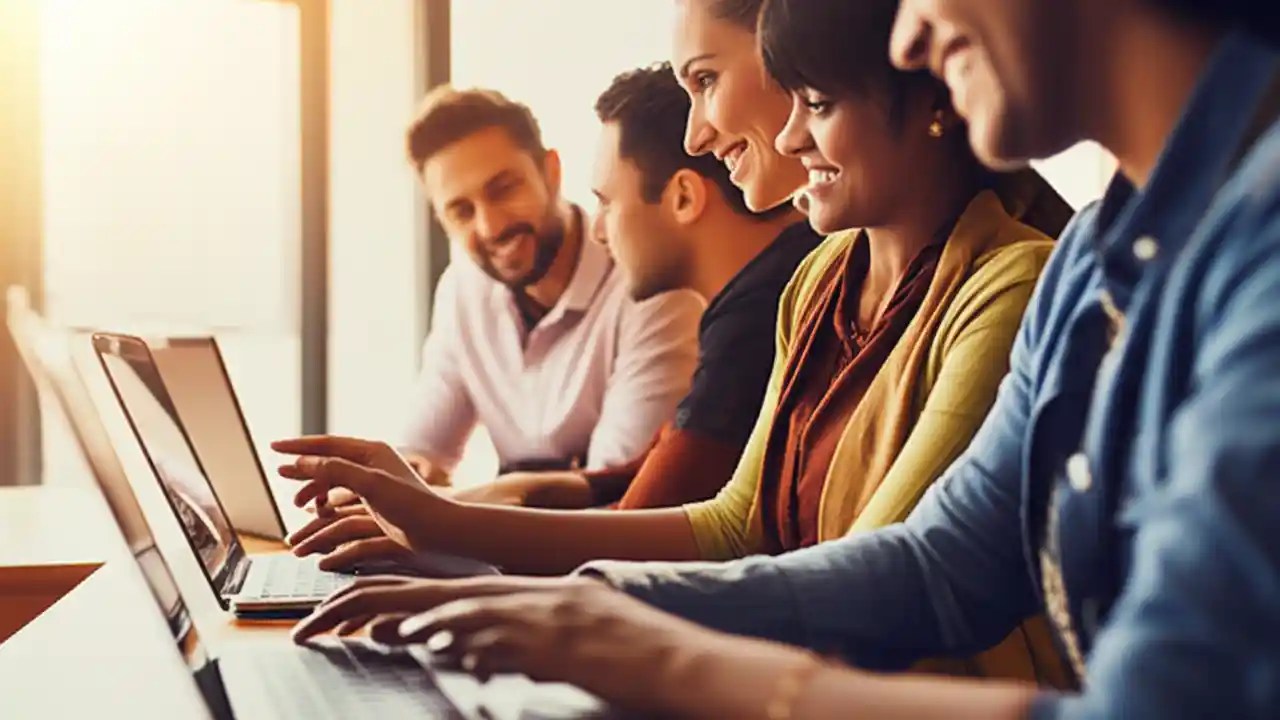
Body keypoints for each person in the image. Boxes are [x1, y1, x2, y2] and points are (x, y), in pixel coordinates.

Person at [284, 0, 1280, 717]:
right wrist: (578, 603)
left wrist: (660, 655)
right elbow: (938, 564)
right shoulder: (1091, 259)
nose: (907, 38)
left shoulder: (1227, 252)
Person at [275, 0, 1066, 621]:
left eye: (816, 101)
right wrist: (441, 526)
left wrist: (495, 581)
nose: (792, 135)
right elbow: (731, 526)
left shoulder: (1010, 283)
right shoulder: (818, 278)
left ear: (930, 94)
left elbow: (883, 578)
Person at [455, 64, 818, 512]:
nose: (598, 232)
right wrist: (472, 500)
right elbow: (649, 470)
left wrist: (444, 520)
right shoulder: (762, 290)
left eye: (607, 203)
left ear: (684, 198)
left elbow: (643, 518)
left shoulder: (756, 321)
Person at [391, 85, 702, 487]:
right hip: (505, 525)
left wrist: (449, 503)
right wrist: (391, 481)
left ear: (551, 172)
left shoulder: (646, 285)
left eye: (503, 189)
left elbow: (613, 489)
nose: (490, 227)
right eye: (461, 211)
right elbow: (421, 450)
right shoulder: (462, 291)